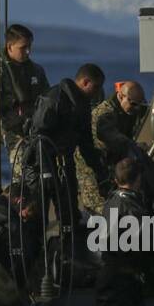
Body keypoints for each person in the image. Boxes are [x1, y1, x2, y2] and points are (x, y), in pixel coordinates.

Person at [25, 63, 106, 222]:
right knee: (37, 216)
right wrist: (45, 170)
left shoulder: (82, 106)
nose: (97, 92)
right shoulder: (54, 98)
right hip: (40, 164)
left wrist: (100, 172)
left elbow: (86, 143)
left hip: (64, 162)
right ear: (85, 82)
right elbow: (38, 136)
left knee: (69, 213)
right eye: (95, 87)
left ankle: (68, 242)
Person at [0, 23, 50, 177]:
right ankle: (22, 195)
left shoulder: (37, 71)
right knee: (24, 169)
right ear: (10, 46)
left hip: (37, 128)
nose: (28, 51)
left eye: (30, 47)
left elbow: (48, 99)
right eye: (23, 47)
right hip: (13, 130)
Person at [92, 156, 149, 306]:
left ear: (116, 180)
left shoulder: (111, 202)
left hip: (111, 276)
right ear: (138, 179)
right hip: (121, 280)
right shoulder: (132, 207)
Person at [76, 80, 147, 213]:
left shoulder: (127, 112)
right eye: (133, 104)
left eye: (139, 104)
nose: (136, 108)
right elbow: (111, 136)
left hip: (109, 164)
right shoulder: (105, 114)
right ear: (121, 96)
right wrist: (131, 145)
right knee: (99, 207)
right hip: (91, 166)